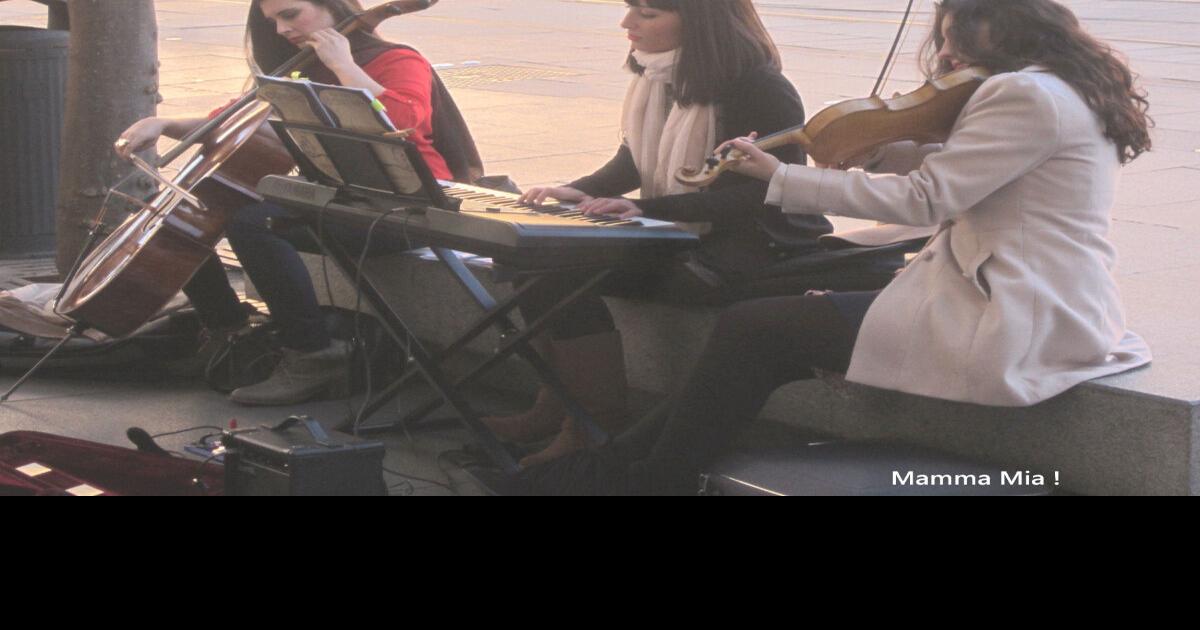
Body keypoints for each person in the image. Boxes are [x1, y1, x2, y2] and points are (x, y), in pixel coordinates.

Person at [489, 0, 1155, 495]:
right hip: (998, 293)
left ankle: (646, 476)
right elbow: (961, 172)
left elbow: (927, 200)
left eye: (953, 43)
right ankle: (631, 471)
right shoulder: (1051, 88)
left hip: (1010, 311)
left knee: (757, 328)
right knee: (772, 327)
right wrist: (877, 146)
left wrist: (783, 177)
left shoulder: (1021, 94)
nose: (947, 61)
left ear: (994, 33)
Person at [484, 0, 836, 467]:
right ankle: (555, 407)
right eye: (632, 9)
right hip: (681, 233)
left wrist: (645, 208)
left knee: (561, 271)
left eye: (648, 15)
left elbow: (764, 195)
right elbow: (634, 160)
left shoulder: (762, 89)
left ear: (702, 22)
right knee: (530, 258)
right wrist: (572, 190)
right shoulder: (658, 77)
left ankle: (591, 425)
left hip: (743, 252)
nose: (627, 24)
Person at [115, 0, 480, 405]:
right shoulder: (298, 67)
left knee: (252, 221)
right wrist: (164, 123)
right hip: (342, 200)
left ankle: (312, 352)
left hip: (408, 207)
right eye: (272, 22)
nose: (281, 31)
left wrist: (345, 66)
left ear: (333, 7)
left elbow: (405, 121)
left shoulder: (395, 58)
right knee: (195, 214)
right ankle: (229, 330)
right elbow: (234, 120)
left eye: (290, 14)